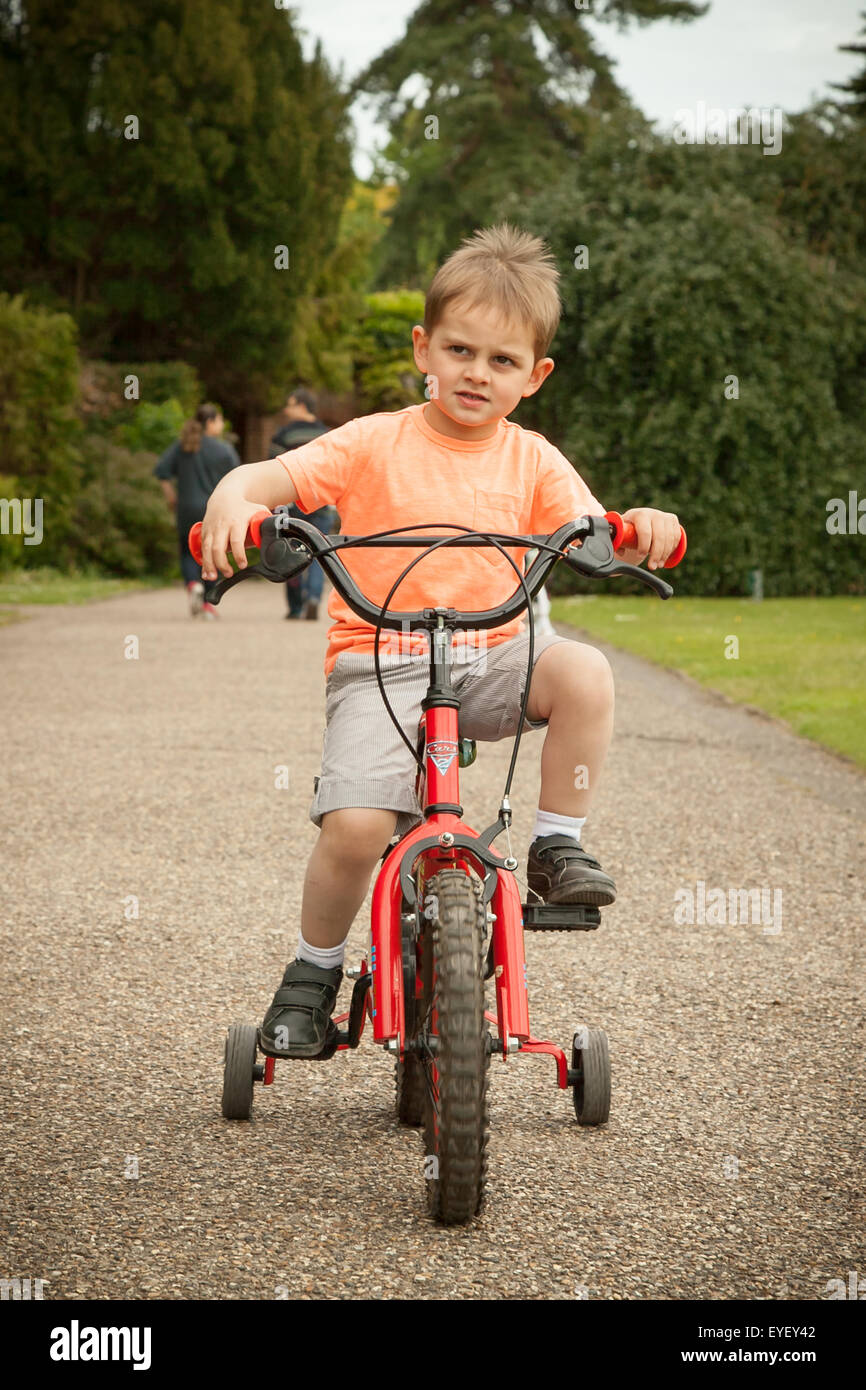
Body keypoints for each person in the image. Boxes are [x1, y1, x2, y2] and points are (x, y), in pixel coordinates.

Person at [199, 223, 682, 1057]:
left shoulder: (534, 461)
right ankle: (313, 973)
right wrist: (230, 503)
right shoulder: (372, 440)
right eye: (460, 350)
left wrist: (640, 530)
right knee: (353, 827)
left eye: (502, 361)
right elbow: (265, 479)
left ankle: (556, 846)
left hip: (495, 656)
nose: (477, 373)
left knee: (585, 673)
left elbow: (593, 527)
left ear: (535, 377)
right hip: (380, 662)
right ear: (424, 347)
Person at [154, 403, 241, 619]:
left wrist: (171, 497)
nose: (221, 425)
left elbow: (162, 472)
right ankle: (207, 604)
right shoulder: (224, 450)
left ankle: (193, 584)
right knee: (211, 552)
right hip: (212, 510)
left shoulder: (182, 446)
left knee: (186, 551)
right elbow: (238, 478)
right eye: (220, 420)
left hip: (186, 508)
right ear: (210, 422)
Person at [268, 388, 338, 620]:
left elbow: (273, 472)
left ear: (301, 405)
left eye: (290, 404)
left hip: (291, 505)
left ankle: (296, 606)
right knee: (319, 553)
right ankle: (314, 597)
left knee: (290, 553)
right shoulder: (327, 435)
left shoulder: (282, 435)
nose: (286, 410)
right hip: (321, 502)